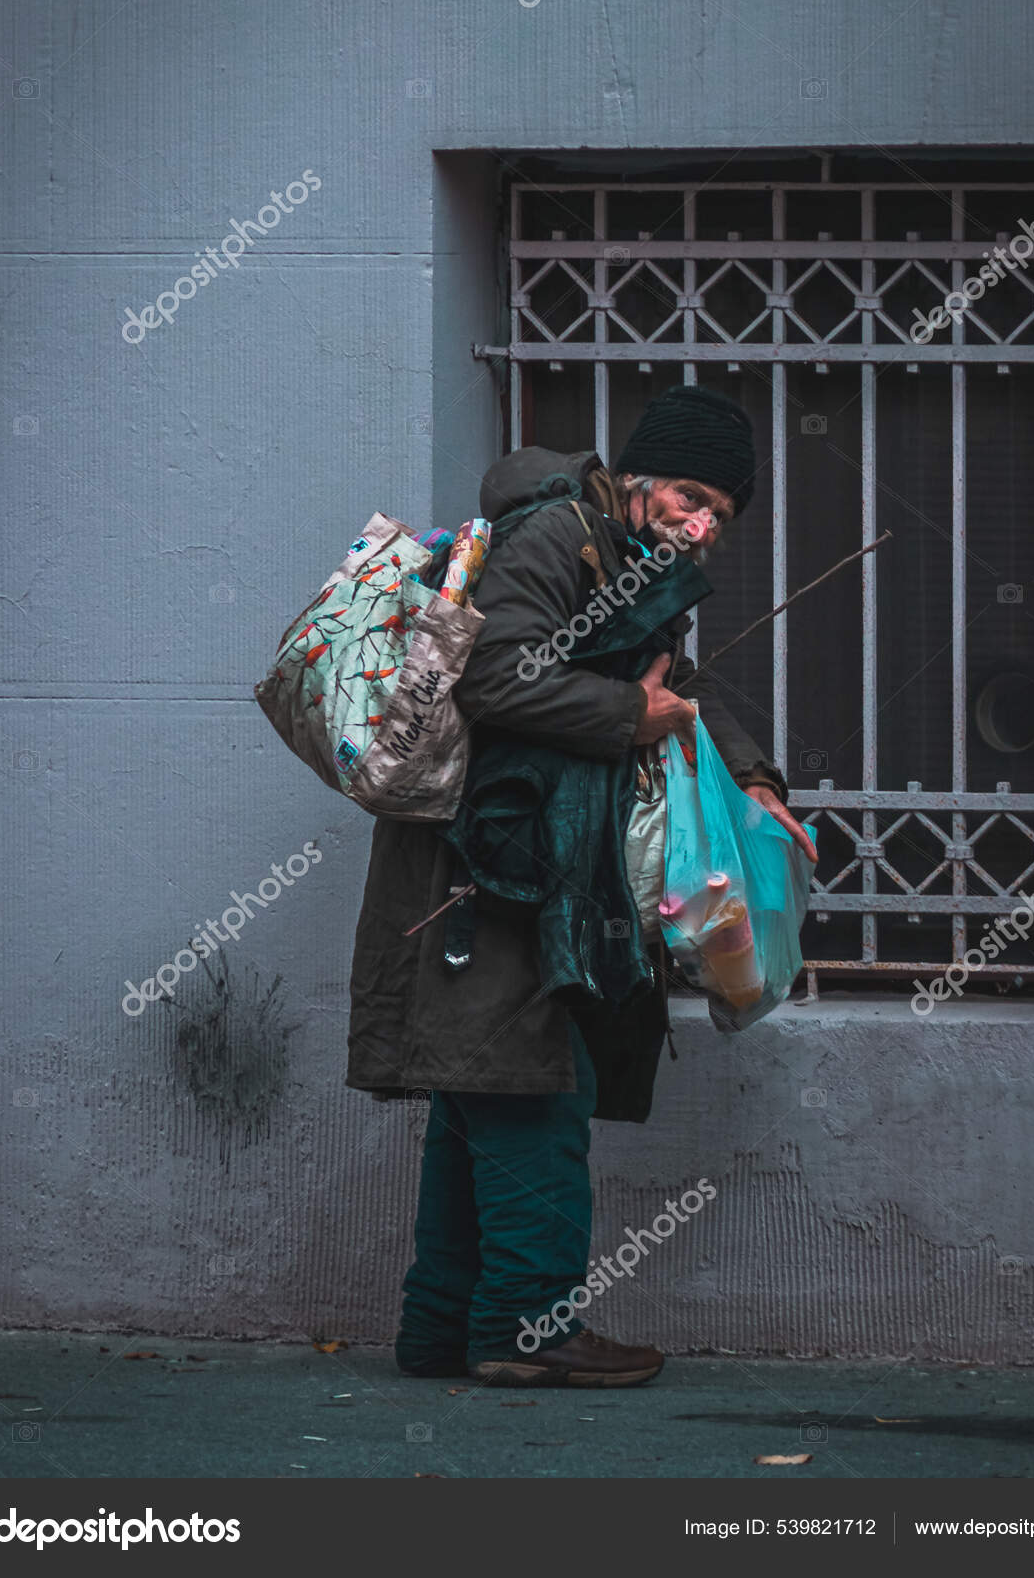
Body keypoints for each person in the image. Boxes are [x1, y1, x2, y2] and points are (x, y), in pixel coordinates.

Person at [346, 384, 816, 1388]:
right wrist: (623, 716)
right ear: (637, 475)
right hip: (493, 864)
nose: (698, 522)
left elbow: (674, 692)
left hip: (524, 862)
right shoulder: (560, 535)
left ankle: (441, 1325)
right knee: (529, 1080)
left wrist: (756, 784)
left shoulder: (626, 560)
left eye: (718, 515)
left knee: (480, 1086)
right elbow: (493, 675)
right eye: (688, 494)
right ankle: (525, 1322)